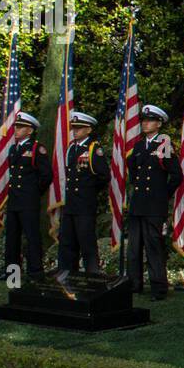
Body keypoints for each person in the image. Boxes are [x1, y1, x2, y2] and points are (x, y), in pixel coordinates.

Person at [127, 104, 180, 300]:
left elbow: (176, 175)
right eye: (143, 120)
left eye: (149, 120)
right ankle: (135, 284)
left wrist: (162, 195)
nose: (145, 123)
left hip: (154, 206)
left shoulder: (164, 143)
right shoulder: (140, 145)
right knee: (133, 248)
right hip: (138, 204)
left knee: (153, 247)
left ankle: (158, 288)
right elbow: (132, 168)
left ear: (158, 124)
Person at [0, 112, 52, 282]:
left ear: (29, 130)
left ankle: (35, 271)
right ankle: (12, 273)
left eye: (20, 127)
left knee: (31, 236)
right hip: (14, 199)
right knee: (12, 238)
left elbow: (46, 175)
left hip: (28, 200)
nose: (16, 129)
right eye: (16, 126)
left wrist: (35, 191)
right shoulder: (14, 149)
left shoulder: (37, 148)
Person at [58, 111, 108, 275]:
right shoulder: (72, 148)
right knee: (67, 243)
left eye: (79, 128)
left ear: (88, 130)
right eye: (74, 128)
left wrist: (89, 190)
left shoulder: (94, 149)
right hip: (71, 203)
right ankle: (66, 275)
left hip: (85, 203)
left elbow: (103, 176)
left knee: (86, 243)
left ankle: (91, 275)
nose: (75, 131)